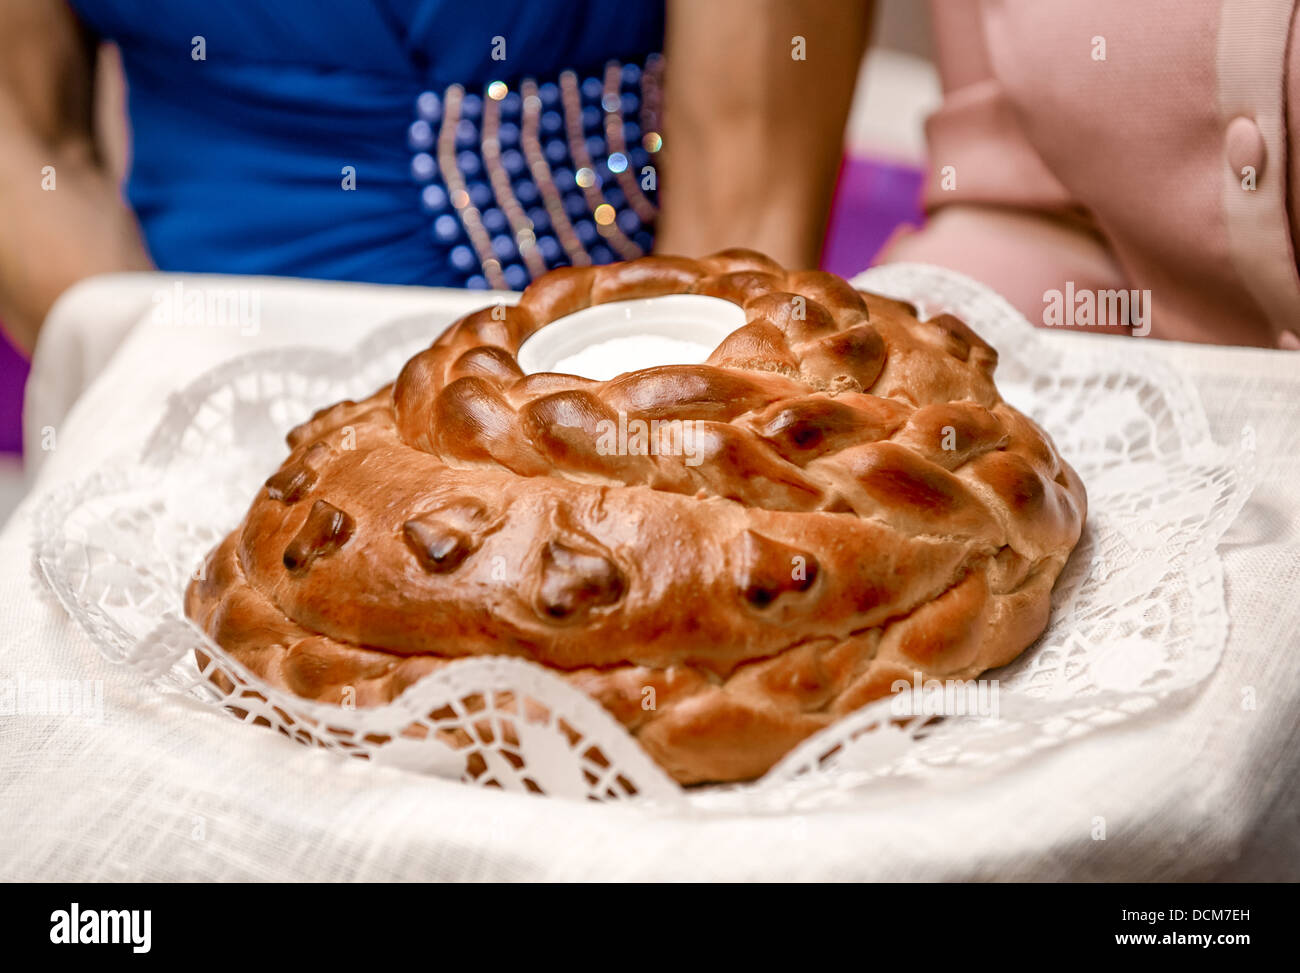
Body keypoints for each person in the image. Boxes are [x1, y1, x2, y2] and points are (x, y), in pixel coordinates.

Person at [0, 0, 871, 354]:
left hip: (631, 351)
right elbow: (25, 140)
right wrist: (159, 404)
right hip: (177, 353)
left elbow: (744, 184)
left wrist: (642, 434)